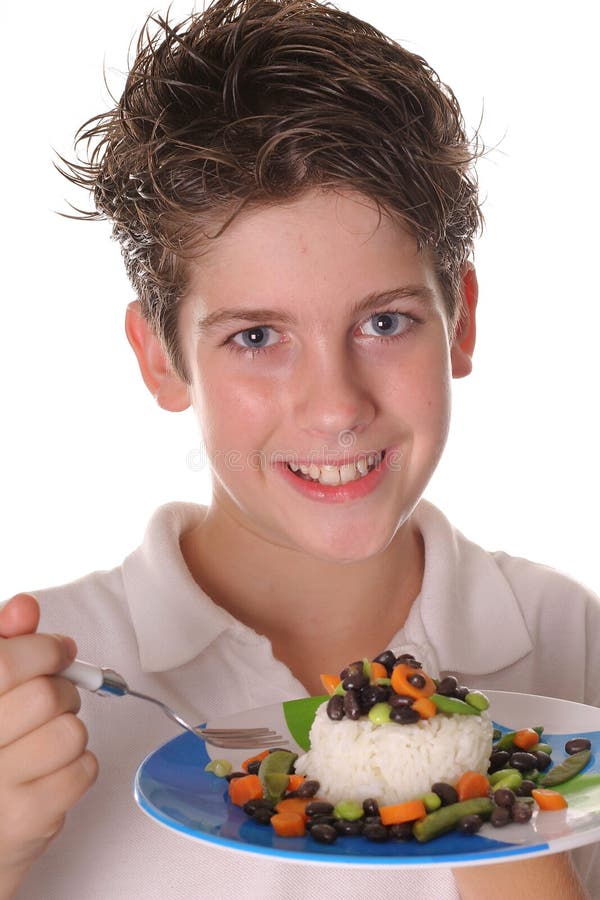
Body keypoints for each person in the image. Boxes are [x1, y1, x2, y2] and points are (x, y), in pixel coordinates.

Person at [0, 1, 597, 897]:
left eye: (385, 321)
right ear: (160, 359)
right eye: (255, 338)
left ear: (461, 322)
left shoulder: (571, 643)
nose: (335, 408)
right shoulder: (40, 705)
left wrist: (503, 821)